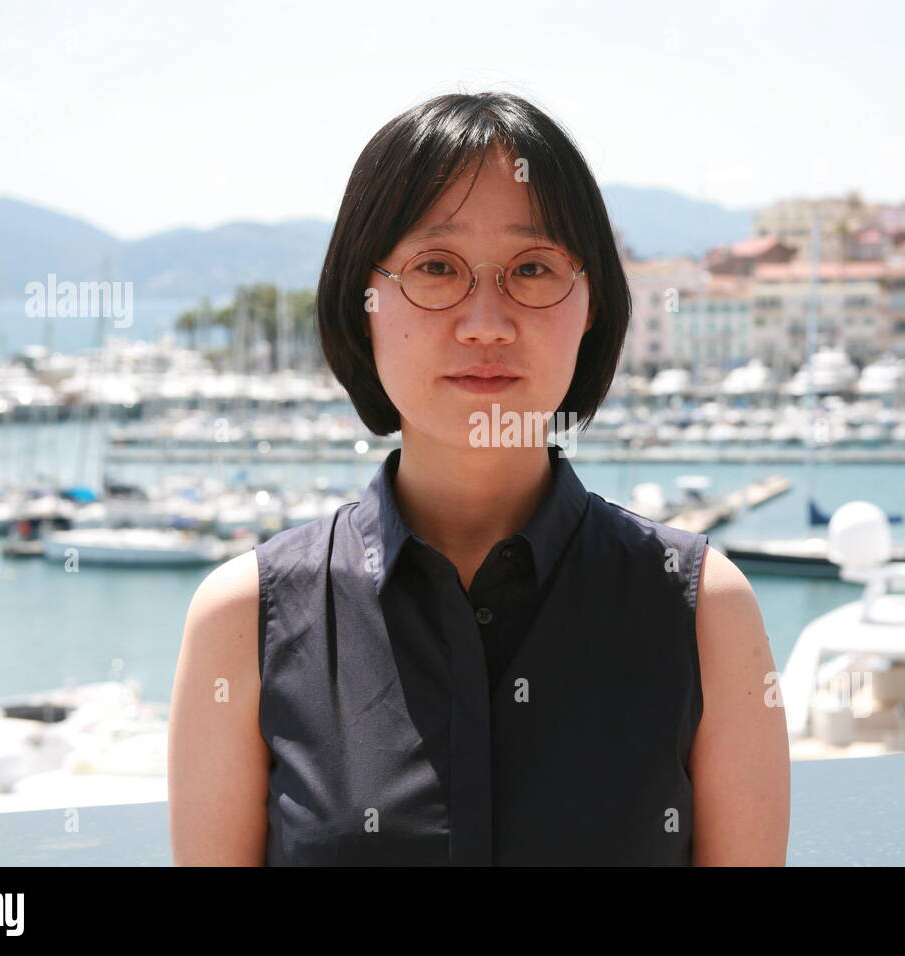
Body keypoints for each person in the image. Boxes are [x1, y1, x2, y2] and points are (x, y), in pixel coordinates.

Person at [169, 90, 789, 866]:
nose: (487, 322)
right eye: (435, 267)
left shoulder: (702, 610)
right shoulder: (244, 619)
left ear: (592, 302)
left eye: (533, 268)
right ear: (360, 302)